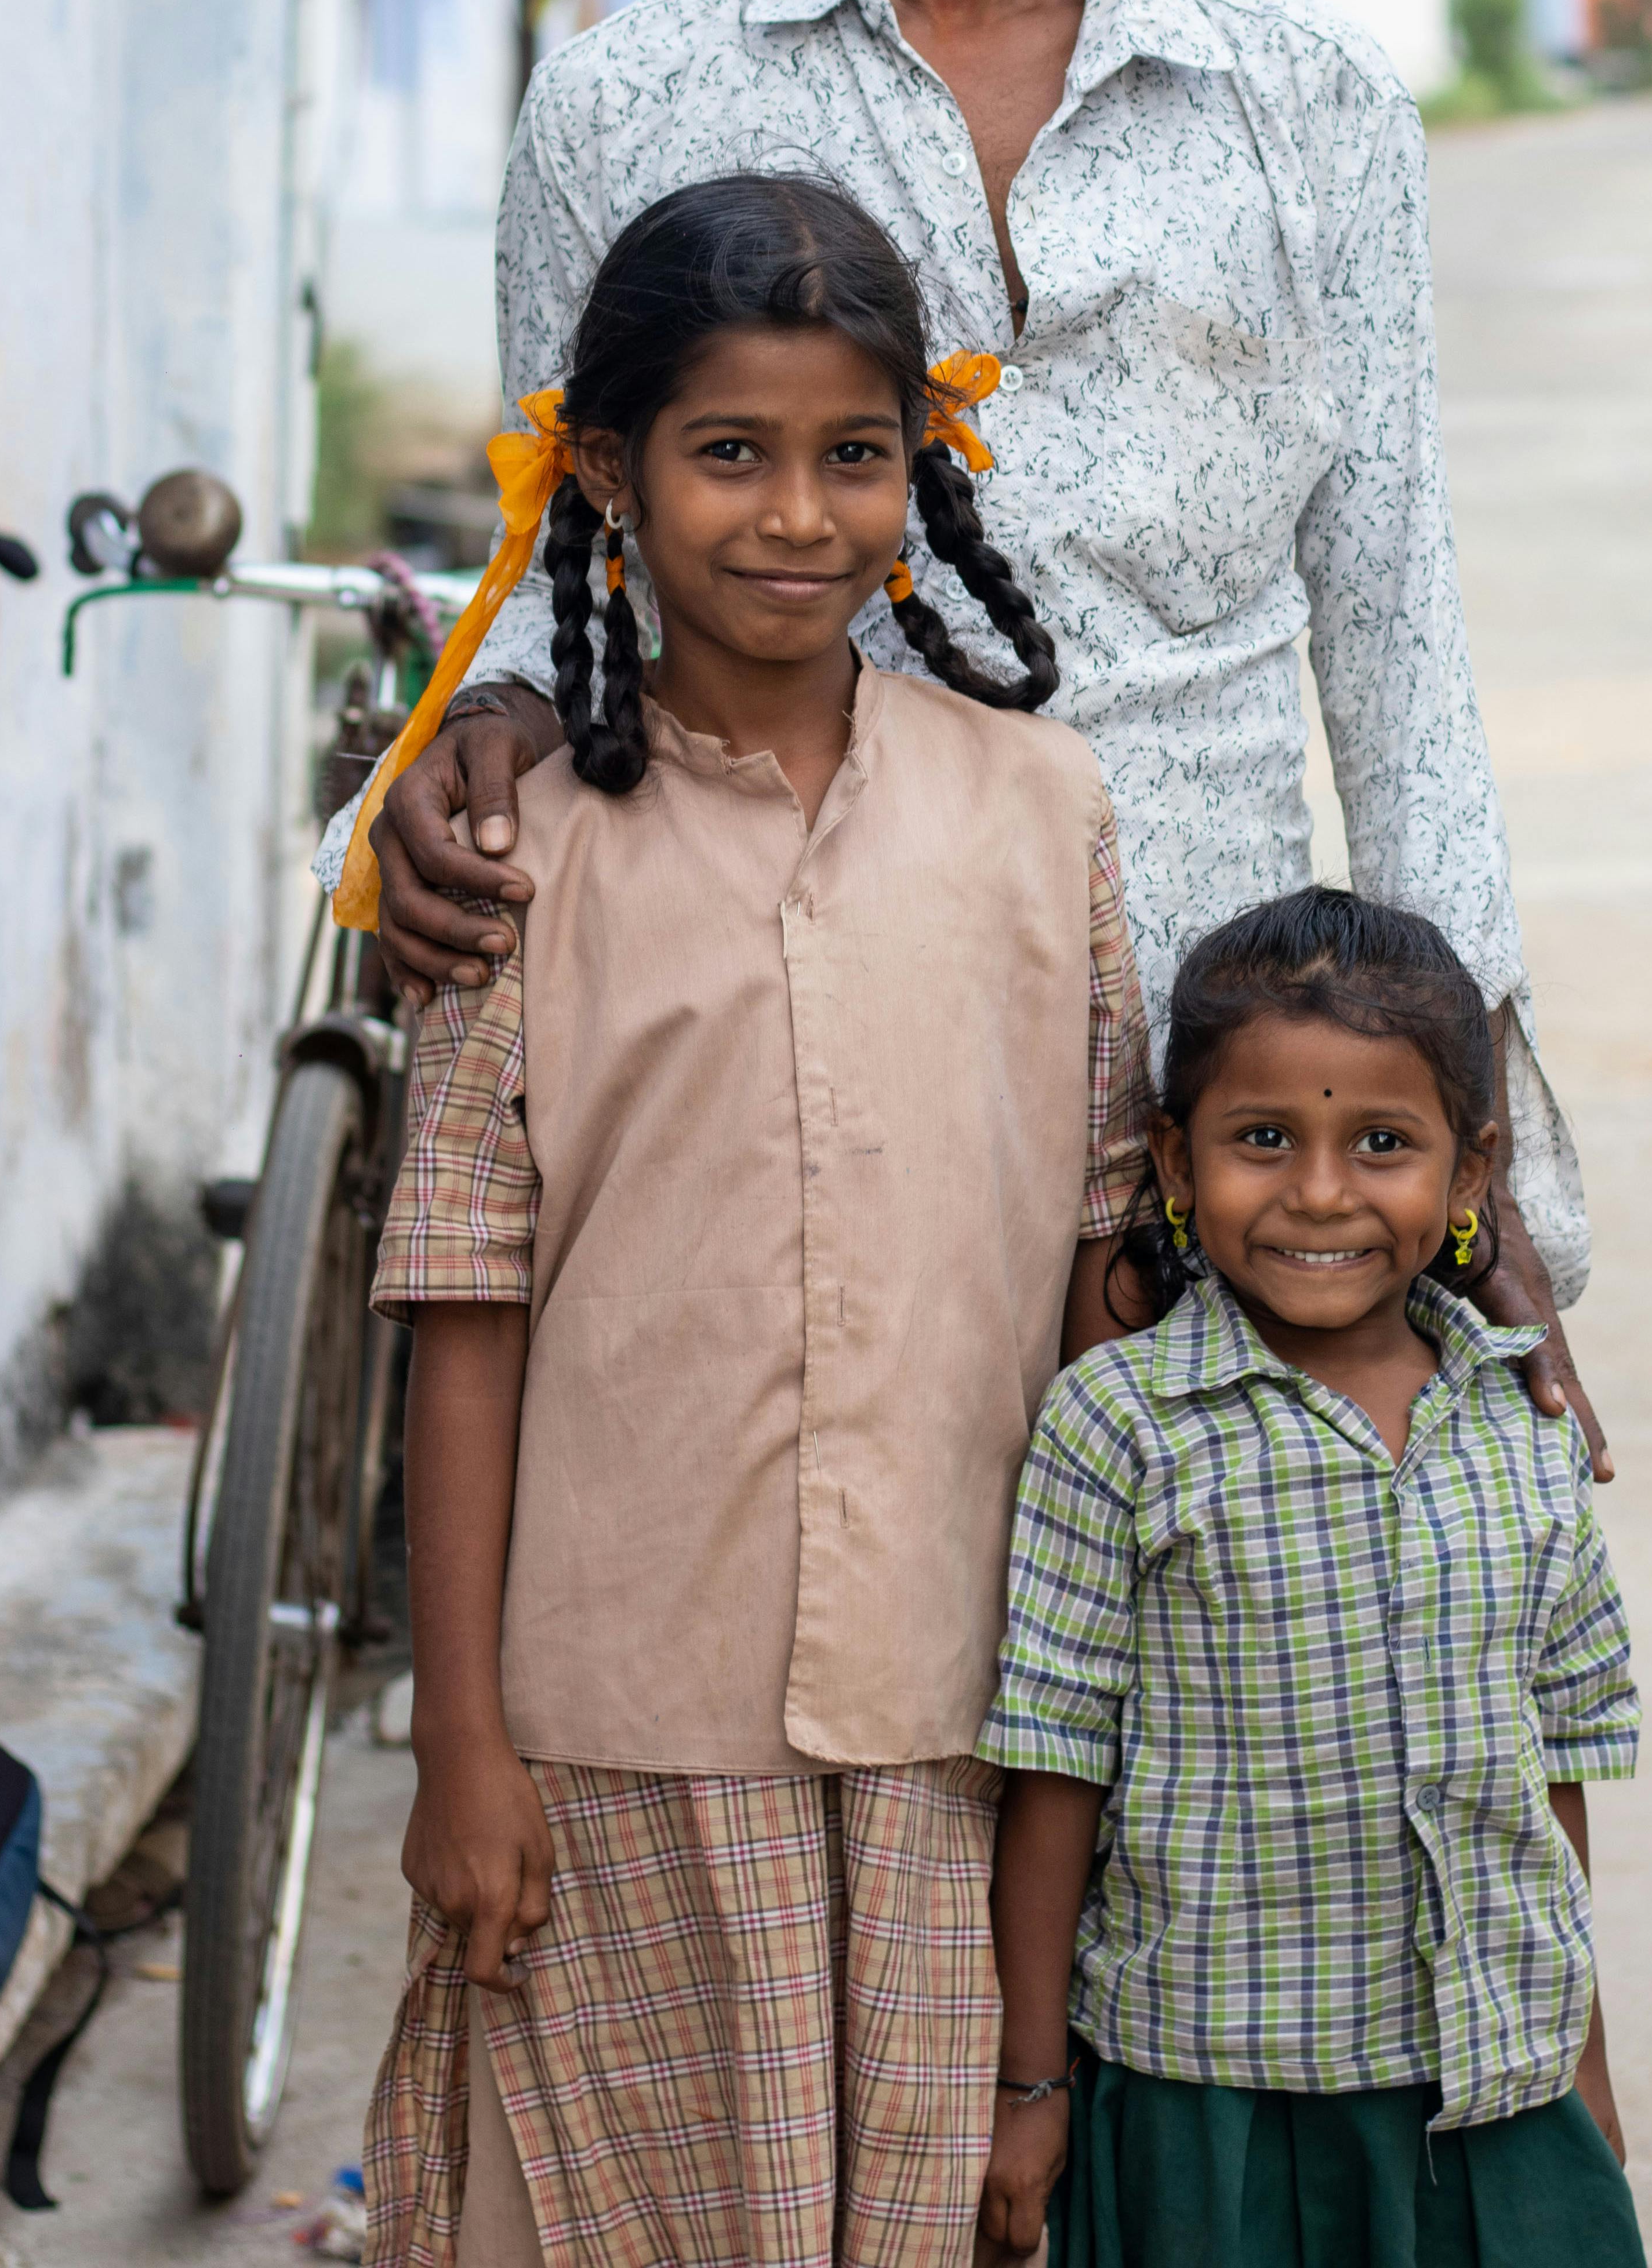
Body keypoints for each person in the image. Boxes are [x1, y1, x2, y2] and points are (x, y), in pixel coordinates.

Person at [332, 0, 1609, 1469]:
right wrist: (464, 752)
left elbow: (1395, 643)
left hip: (1234, 1118)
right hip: (783, 1099)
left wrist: (1484, 1180)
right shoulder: (628, 107)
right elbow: (580, 592)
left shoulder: (1304, 108)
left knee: (1223, 1749)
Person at [361, 173, 1157, 2268]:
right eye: (730, 451)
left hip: (953, 1700)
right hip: (612, 1710)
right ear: (608, 470)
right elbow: (460, 1298)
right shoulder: (511, 845)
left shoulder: (1037, 808)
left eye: (850, 453)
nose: (796, 513)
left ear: (922, 465)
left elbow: (1098, 1270)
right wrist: (460, 1738)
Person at [976, 887, 1643, 2268]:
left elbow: (1555, 1769)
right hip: (1214, 2096)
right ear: (1174, 1160)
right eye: (1263, 1139)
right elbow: (1052, 1771)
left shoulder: (1521, 1432)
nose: (1322, 1192)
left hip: (1490, 2087)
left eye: (1383, 1142)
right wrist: (1030, 2085)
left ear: (1470, 1177)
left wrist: (1582, 2062)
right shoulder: (1121, 1427)